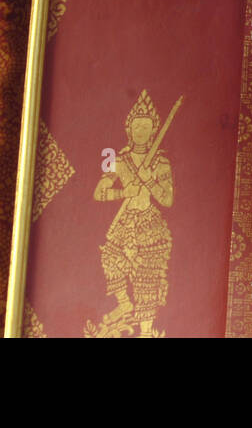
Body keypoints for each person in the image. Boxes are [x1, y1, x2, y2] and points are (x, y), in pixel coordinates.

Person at [88, 92, 173, 337]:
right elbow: (98, 193)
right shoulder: (119, 160)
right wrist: (124, 191)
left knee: (147, 277)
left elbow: (167, 199)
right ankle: (124, 302)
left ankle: (146, 331)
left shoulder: (160, 162)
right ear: (129, 128)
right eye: (137, 125)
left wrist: (151, 182)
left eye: (146, 126)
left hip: (148, 224)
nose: (141, 131)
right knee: (111, 258)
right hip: (125, 223)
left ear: (154, 130)